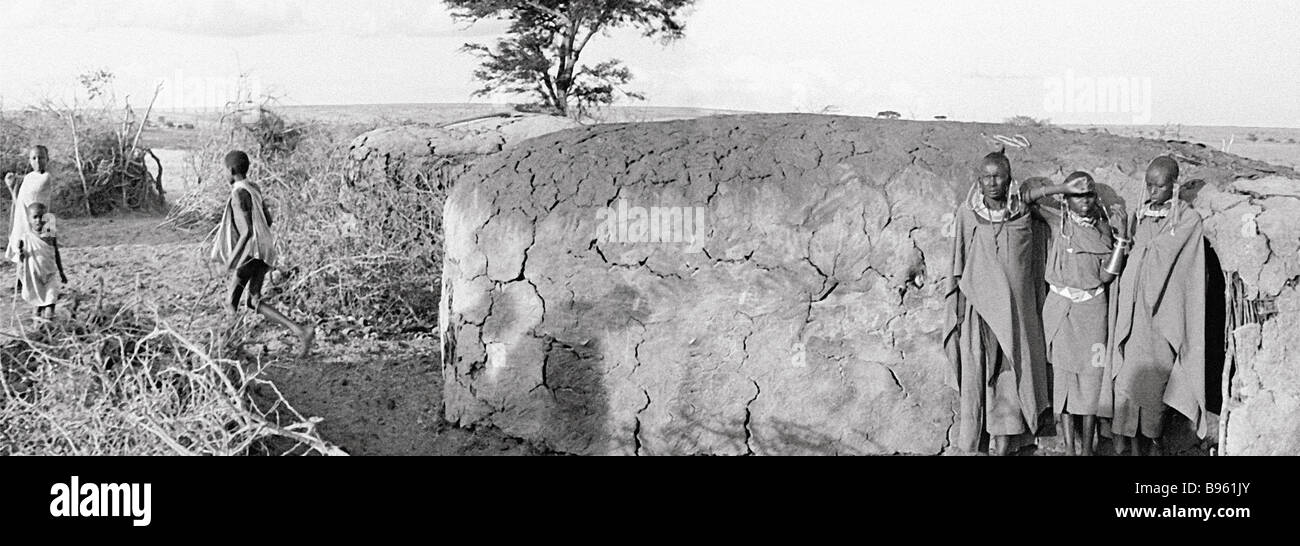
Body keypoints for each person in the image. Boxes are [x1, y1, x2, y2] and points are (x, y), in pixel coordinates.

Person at [943, 149, 1092, 455]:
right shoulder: (968, 216)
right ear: (979, 180)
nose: (992, 182)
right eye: (986, 176)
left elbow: (1036, 198)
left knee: (1012, 378)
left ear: (1009, 178)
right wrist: (957, 314)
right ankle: (987, 443)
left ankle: (1006, 442)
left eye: (998, 175)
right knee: (984, 376)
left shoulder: (1020, 212)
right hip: (980, 315)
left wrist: (1063, 189)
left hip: (1017, 315)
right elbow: (958, 268)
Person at [1100, 156, 1207, 456]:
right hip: (1133, 315)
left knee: (1155, 385)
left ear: (1174, 185)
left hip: (1161, 315)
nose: (1153, 191)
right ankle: (1131, 447)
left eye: (1160, 186)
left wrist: (1144, 250)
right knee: (1128, 378)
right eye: (1149, 185)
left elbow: (1181, 266)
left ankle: (1155, 442)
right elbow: (1135, 254)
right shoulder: (1142, 215)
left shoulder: (1186, 220)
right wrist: (1125, 234)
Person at [1034, 172, 1128, 456]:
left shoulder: (1102, 230)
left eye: (1088, 194)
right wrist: (1062, 187)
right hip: (1062, 310)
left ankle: (1088, 449)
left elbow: (1107, 276)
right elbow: (1026, 196)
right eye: (1077, 195)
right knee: (1062, 377)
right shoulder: (1056, 222)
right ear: (1066, 199)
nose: (1083, 201)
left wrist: (1122, 238)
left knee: (1092, 378)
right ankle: (1069, 450)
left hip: (1092, 311)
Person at [210, 150, 314, 357]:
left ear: (230, 170)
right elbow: (268, 220)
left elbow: (247, 231)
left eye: (224, 171)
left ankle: (228, 350)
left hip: (251, 251)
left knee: (232, 302)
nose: (224, 174)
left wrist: (230, 262)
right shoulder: (254, 188)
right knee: (254, 300)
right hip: (266, 248)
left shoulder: (238, 194)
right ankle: (300, 331)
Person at [16, 202, 67, 320]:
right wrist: (20, 250)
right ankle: (37, 330)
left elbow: (56, 253)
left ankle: (49, 326)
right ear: (29, 219)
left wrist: (61, 272)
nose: (38, 220)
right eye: (35, 217)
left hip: (50, 275)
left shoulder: (50, 235)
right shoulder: (26, 238)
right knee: (37, 307)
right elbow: (22, 259)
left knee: (51, 303)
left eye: (42, 217)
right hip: (35, 278)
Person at [6, 145, 54, 264]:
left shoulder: (45, 178)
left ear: (47, 159)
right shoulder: (29, 177)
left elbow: (29, 202)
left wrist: (14, 183)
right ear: (29, 160)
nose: (37, 161)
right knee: (23, 260)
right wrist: (12, 186)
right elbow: (20, 200)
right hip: (22, 221)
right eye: (34, 158)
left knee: (34, 261)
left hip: (36, 223)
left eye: (41, 157)